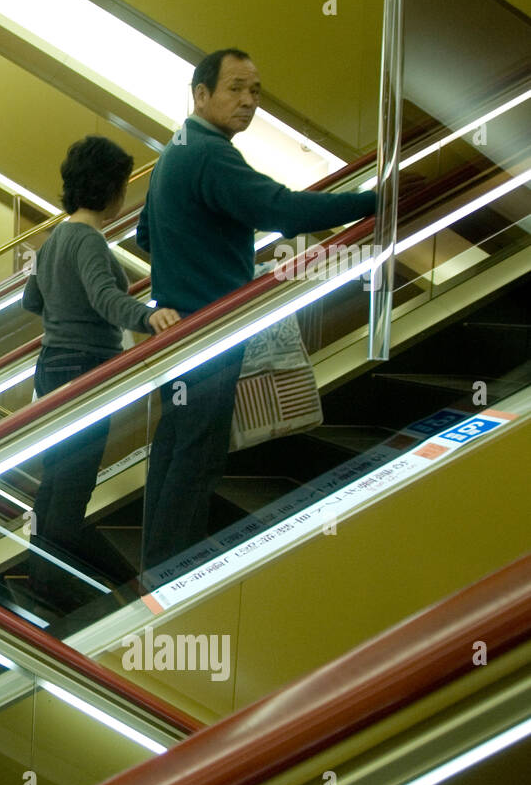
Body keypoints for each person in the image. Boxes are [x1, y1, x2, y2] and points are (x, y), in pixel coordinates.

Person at [136, 48, 378, 574]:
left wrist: (194, 253)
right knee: (196, 461)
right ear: (201, 94)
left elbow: (145, 235)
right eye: (235, 89)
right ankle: (172, 579)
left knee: (175, 451)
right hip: (210, 328)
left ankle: (155, 572)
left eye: (256, 91)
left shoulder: (174, 150)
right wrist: (375, 202)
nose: (248, 101)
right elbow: (282, 210)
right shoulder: (209, 153)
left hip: (177, 327)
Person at [22, 136, 180, 610]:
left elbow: (33, 300)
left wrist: (61, 304)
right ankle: (95, 590)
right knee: (73, 487)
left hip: (52, 367)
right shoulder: (88, 240)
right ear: (110, 188)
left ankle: (41, 579)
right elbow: (104, 299)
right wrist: (148, 317)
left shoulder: (56, 239)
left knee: (56, 480)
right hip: (85, 370)